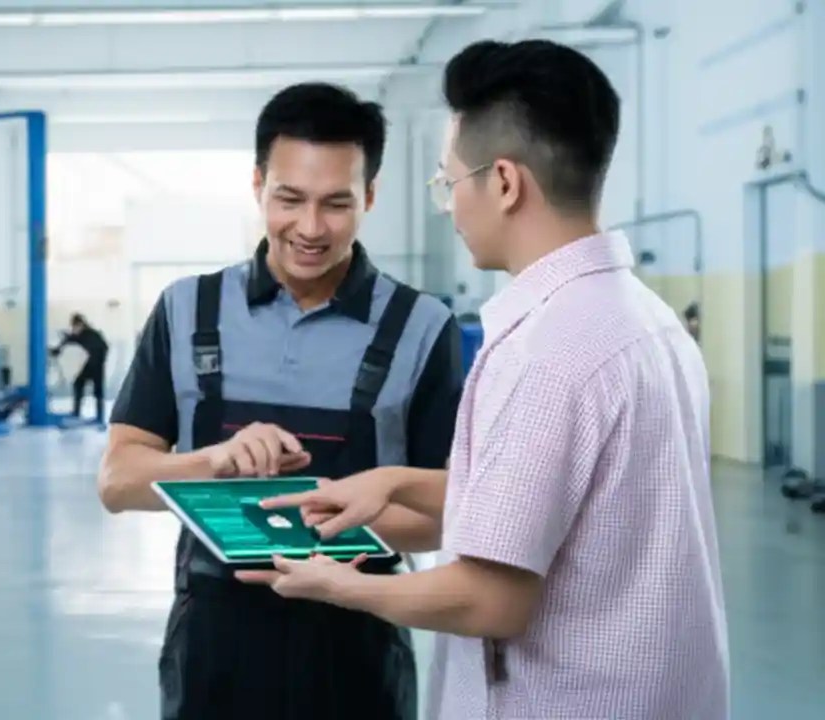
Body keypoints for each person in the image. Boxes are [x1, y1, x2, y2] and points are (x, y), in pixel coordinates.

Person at [238, 40, 730, 720]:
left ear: (503, 183)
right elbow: (553, 503)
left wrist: (338, 586)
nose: (449, 207)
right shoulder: (647, 320)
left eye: (449, 184)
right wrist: (394, 482)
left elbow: (490, 599)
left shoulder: (545, 351)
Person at [97, 82, 463, 720]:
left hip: (358, 640)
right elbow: (118, 482)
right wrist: (213, 462)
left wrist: (313, 522)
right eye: (289, 199)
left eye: (336, 203)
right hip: (216, 641)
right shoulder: (186, 311)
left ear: (369, 197)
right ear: (258, 184)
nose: (310, 229)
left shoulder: (423, 328)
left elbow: (446, 513)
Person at [51, 313, 109, 423]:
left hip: (97, 366)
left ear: (81, 325)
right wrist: (56, 351)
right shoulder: (80, 335)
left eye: (75, 327)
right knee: (78, 385)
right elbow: (68, 341)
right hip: (87, 365)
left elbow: (105, 347)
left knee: (98, 391)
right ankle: (77, 412)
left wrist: (99, 359)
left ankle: (99, 416)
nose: (74, 329)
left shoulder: (92, 335)